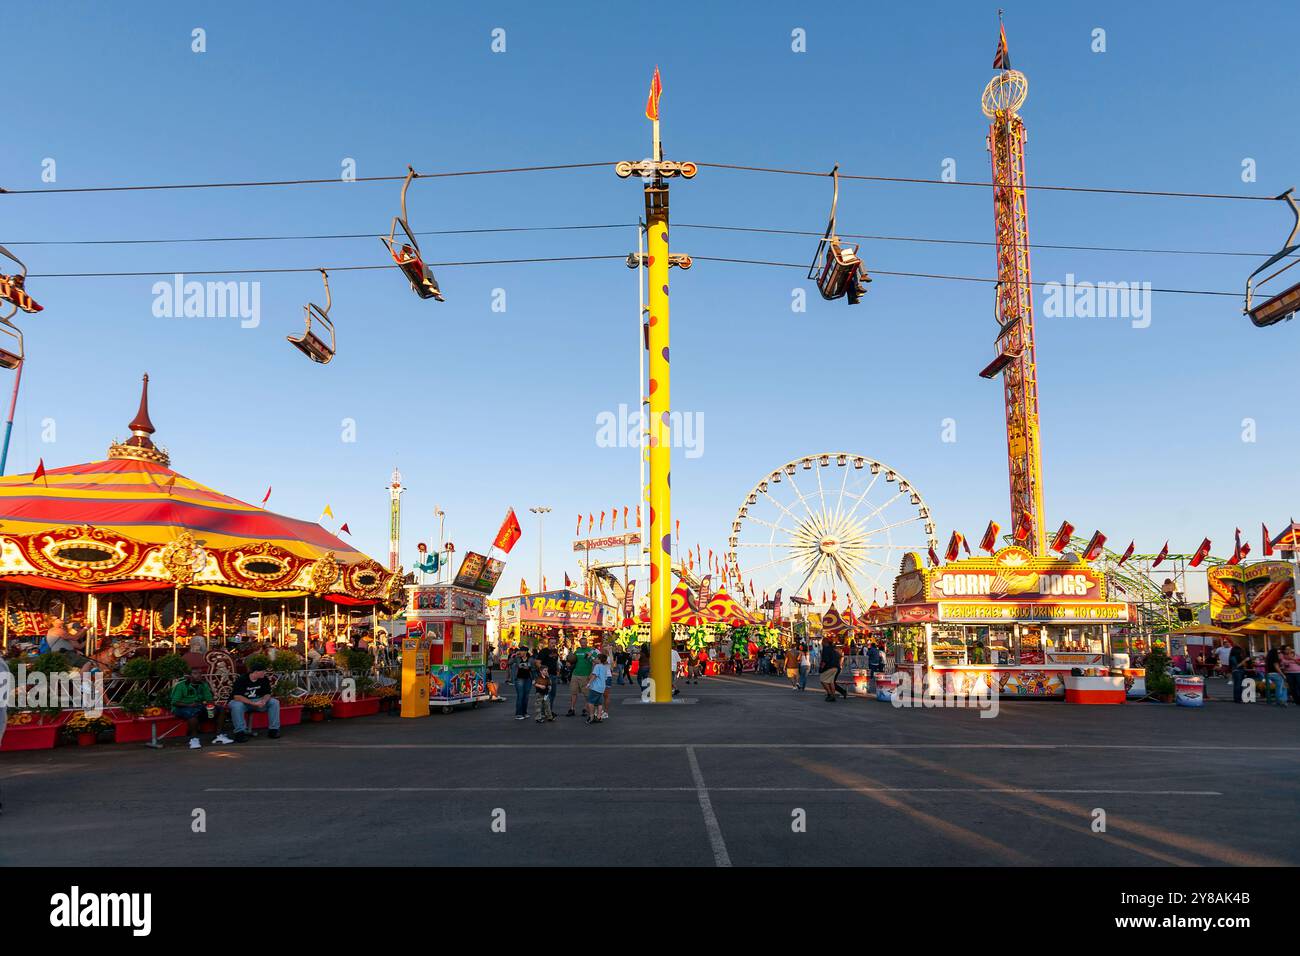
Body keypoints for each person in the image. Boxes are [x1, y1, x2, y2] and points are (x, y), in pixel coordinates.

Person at [171, 666, 233, 749]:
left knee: (220, 709)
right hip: (181, 707)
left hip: (198, 706)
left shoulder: (203, 684)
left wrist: (211, 707)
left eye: (200, 673)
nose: (199, 675)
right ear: (189, 676)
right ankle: (194, 739)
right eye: (195, 673)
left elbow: (209, 699)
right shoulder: (180, 685)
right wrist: (189, 705)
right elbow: (175, 702)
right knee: (191, 713)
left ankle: (219, 736)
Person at [229, 658, 281, 742]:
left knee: (274, 702)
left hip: (258, 701)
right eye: (263, 671)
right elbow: (237, 696)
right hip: (243, 701)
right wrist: (253, 703)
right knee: (237, 705)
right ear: (256, 672)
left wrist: (263, 701)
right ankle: (240, 732)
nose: (264, 673)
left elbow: (267, 693)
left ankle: (274, 730)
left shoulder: (264, 679)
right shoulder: (242, 679)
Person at [566, 636, 597, 717]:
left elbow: (596, 662)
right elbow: (572, 661)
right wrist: (569, 663)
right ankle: (572, 709)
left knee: (586, 694)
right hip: (575, 674)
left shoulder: (591, 651)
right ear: (579, 643)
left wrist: (591, 674)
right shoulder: (577, 651)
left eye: (584, 642)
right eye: (581, 643)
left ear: (587, 642)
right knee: (573, 693)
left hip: (585, 675)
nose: (583, 644)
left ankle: (585, 708)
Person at [586, 652, 612, 723]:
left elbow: (594, 676)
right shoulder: (604, 667)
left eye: (597, 658)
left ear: (599, 660)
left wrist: (589, 683)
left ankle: (591, 717)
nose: (595, 659)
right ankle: (599, 717)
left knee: (590, 702)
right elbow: (605, 677)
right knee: (599, 703)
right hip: (602, 688)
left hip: (595, 687)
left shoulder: (597, 666)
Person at [513, 646, 534, 720]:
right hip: (519, 679)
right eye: (520, 651)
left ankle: (524, 712)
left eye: (522, 651)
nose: (521, 652)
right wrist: (514, 655)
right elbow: (509, 662)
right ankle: (518, 713)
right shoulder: (517, 658)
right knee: (520, 696)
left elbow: (534, 669)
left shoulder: (530, 659)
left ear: (525, 652)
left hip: (528, 679)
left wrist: (529, 667)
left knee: (526, 696)